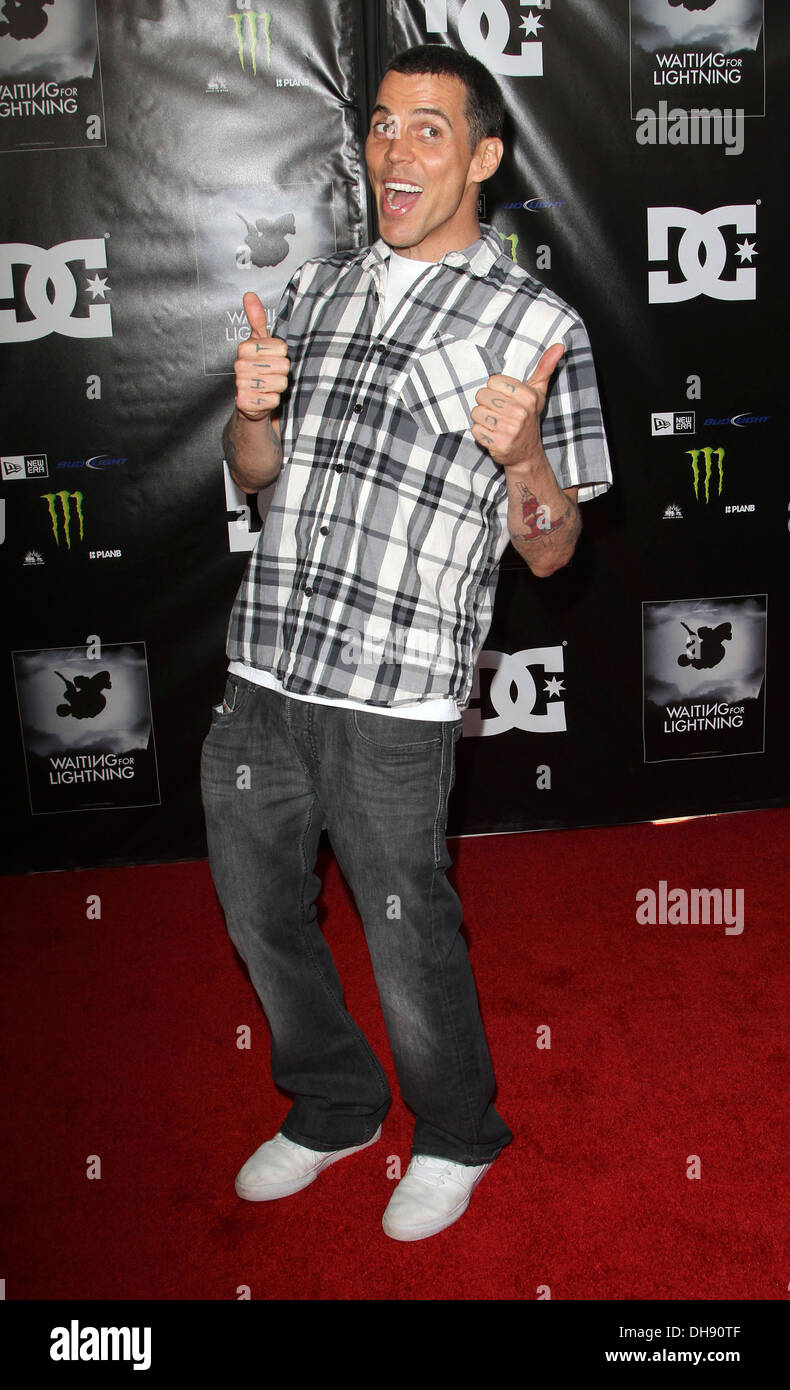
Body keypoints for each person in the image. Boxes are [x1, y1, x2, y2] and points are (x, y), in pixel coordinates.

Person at [201, 43, 612, 1242]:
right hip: (264, 667)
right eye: (384, 124)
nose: (395, 149)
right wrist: (251, 412)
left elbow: (550, 549)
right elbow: (252, 477)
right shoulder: (318, 292)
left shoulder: (535, 324)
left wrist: (524, 456)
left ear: (482, 156)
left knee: (403, 922)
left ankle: (455, 1130)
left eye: (430, 130)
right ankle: (331, 1105)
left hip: (396, 690)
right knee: (255, 908)